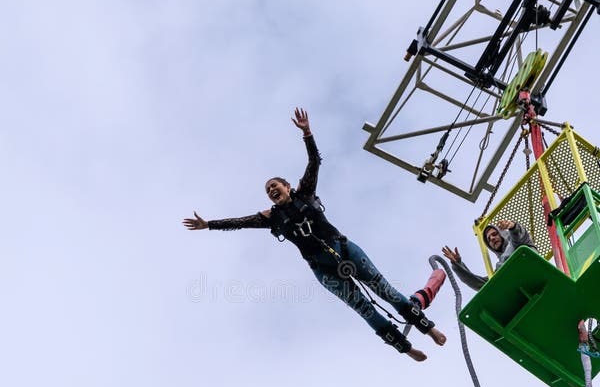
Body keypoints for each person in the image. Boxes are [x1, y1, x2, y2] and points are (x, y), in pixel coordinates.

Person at [183, 107, 447, 362]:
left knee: (385, 291)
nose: (272, 190)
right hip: (323, 268)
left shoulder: (305, 193)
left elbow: (314, 162)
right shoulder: (272, 218)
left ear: (287, 186)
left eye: (275, 186)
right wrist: (209, 224)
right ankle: (405, 348)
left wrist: (307, 133)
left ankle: (429, 329)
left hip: (344, 249)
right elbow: (240, 222)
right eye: (268, 190)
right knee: (364, 308)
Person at [442, 219, 536, 291]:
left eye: (494, 234)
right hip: (516, 286)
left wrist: (512, 226)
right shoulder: (499, 270)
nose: (492, 238)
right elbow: (478, 283)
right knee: (490, 284)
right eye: (489, 239)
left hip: (530, 269)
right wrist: (458, 265)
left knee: (513, 251)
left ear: (502, 234)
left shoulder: (519, 242)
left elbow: (518, 235)